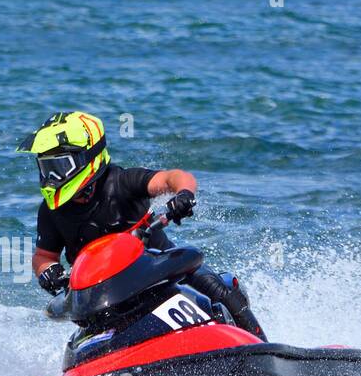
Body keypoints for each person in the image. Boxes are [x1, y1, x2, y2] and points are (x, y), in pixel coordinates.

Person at [17, 110, 266, 339]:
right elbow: (43, 255)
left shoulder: (122, 182)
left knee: (219, 289)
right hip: (105, 300)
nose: (50, 178)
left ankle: (262, 350)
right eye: (45, 168)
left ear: (88, 157)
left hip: (161, 274)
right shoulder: (51, 211)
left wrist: (183, 195)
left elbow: (174, 177)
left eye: (58, 167)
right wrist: (47, 271)